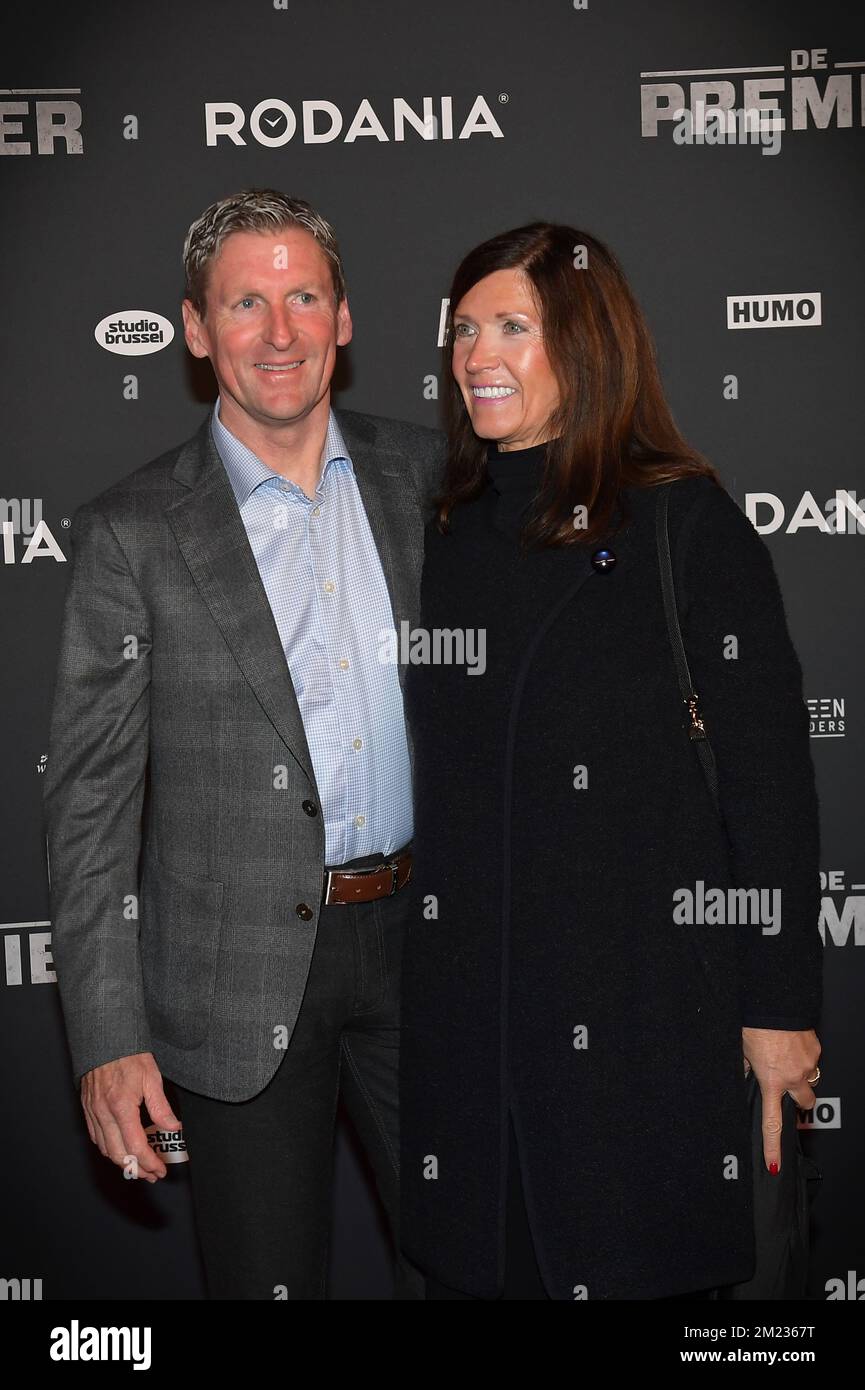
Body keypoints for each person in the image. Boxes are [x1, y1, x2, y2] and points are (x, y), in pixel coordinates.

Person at [398, 222, 823, 1301]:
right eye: (462, 330)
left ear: (585, 344)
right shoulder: (440, 531)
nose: (475, 355)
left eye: (511, 327)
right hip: (477, 1036)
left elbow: (771, 788)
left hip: (643, 1018)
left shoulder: (684, 522)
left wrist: (776, 1013)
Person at [43, 188, 445, 1299]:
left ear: (345, 318)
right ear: (195, 328)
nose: (279, 332)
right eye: (247, 302)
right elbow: (87, 804)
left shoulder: (433, 483)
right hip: (232, 982)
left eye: (303, 296)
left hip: (430, 953)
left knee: (476, 1266)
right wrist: (105, 1034)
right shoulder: (132, 533)